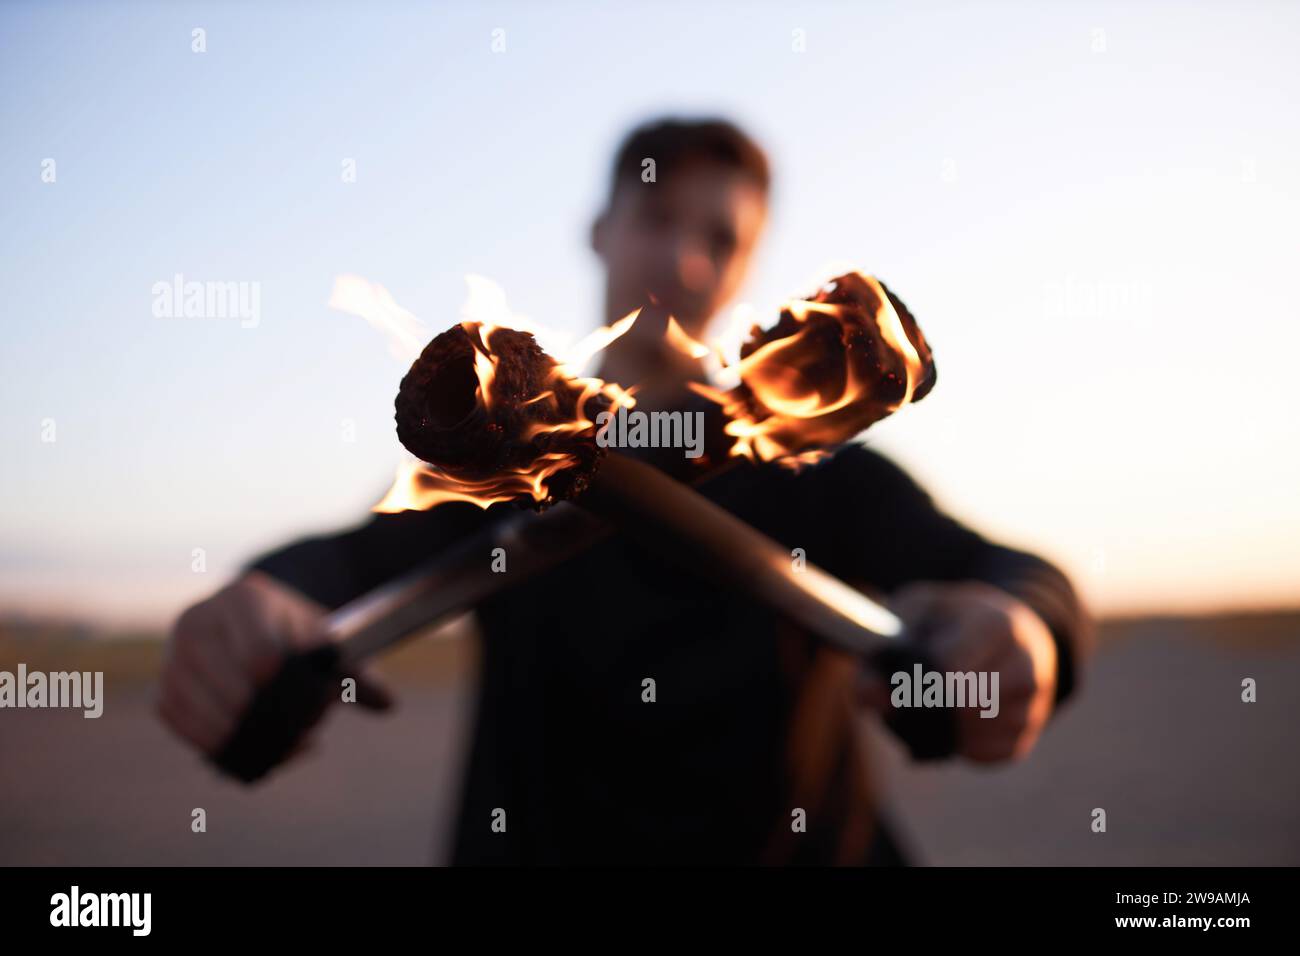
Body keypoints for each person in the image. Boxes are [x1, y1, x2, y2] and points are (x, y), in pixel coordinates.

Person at [157, 117, 1091, 865]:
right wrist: (259, 605)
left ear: (746, 267)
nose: (683, 260)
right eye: (656, 219)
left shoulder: (820, 475)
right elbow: (349, 562)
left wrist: (1021, 629)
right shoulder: (504, 453)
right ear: (601, 231)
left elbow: (1005, 573)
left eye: (718, 238)